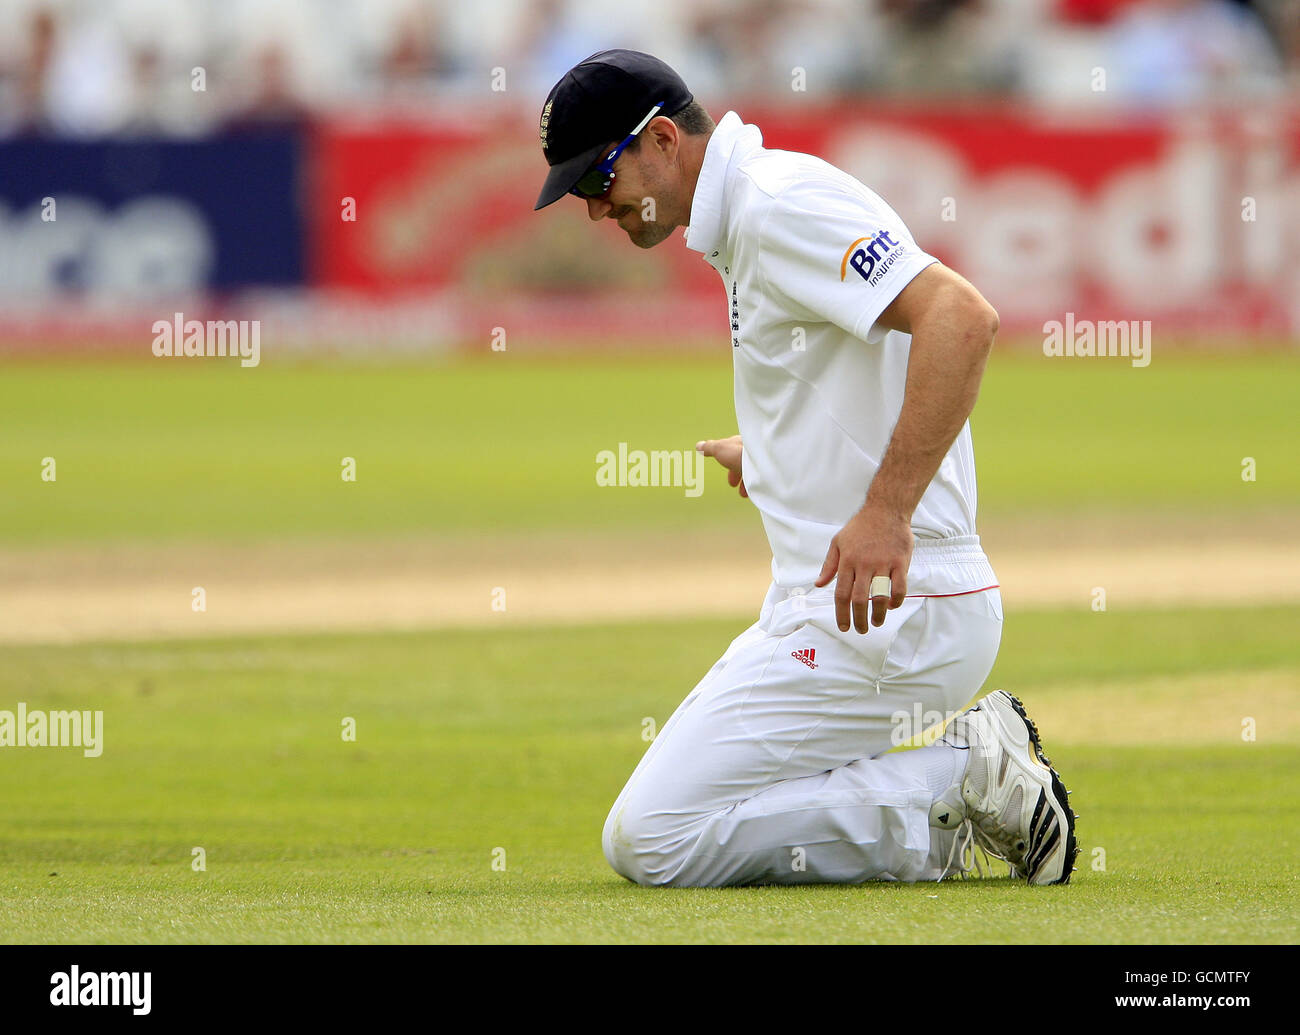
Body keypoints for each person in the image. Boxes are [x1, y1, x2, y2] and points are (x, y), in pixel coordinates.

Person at [533, 49, 1076, 887]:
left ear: (664, 139)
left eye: (598, 177)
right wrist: (776, 456)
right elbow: (848, 369)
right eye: (579, 191)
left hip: (898, 609)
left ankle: (964, 777)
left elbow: (961, 317)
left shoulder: (776, 206)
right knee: (676, 823)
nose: (596, 207)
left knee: (654, 838)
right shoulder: (747, 214)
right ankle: (952, 788)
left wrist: (887, 510)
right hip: (858, 607)